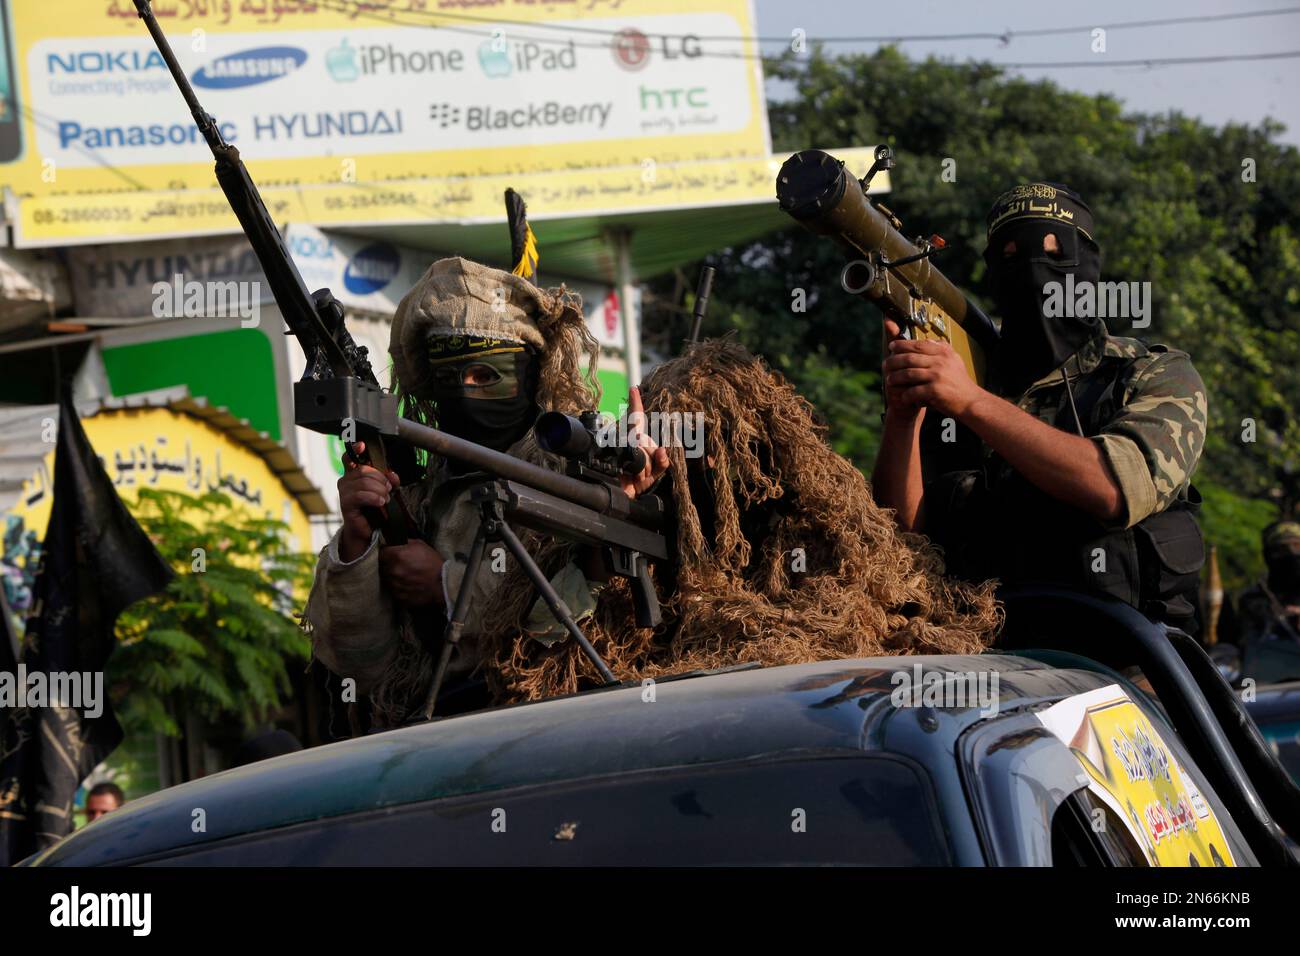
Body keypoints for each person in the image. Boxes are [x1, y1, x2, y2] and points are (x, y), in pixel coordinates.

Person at [303, 257, 667, 729]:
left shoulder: (571, 472)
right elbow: (359, 662)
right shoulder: (419, 494)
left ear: (531, 375)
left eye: (485, 376)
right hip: (432, 736)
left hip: (559, 726)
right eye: (451, 380)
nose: (465, 394)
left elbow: (557, 626)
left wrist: (443, 585)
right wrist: (357, 544)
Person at [873, 182, 1209, 634]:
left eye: (1055, 253)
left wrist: (971, 402)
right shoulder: (960, 380)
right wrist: (903, 413)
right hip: (989, 666)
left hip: (1130, 670)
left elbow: (1112, 488)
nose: (1033, 271)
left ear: (1089, 267)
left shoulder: (1152, 375)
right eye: (1009, 256)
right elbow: (902, 544)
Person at [1221, 521, 1300, 683]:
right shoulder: (1249, 601)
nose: (1292, 554)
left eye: (1297, 546)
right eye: (1282, 549)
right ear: (1268, 555)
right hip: (1265, 687)